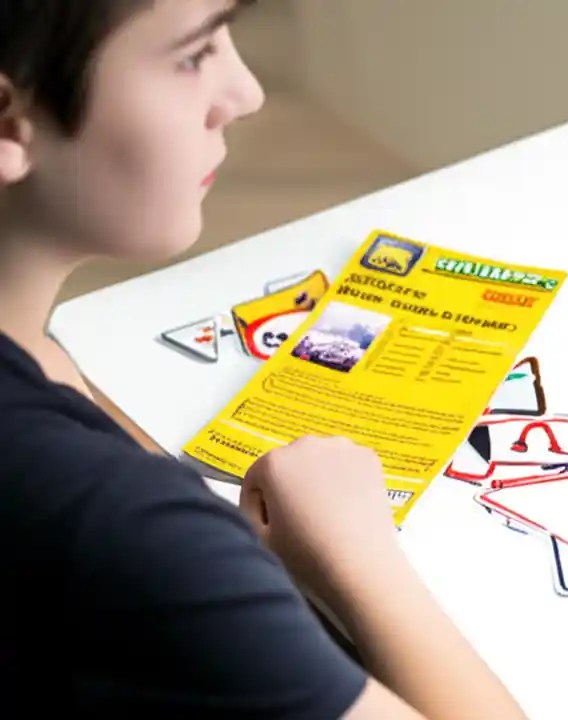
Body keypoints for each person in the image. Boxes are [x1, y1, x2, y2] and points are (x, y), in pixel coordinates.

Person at [0, 2, 528, 718]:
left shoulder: (37, 354)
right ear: (8, 121)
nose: (245, 94)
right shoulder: (131, 536)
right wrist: (356, 555)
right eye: (192, 55)